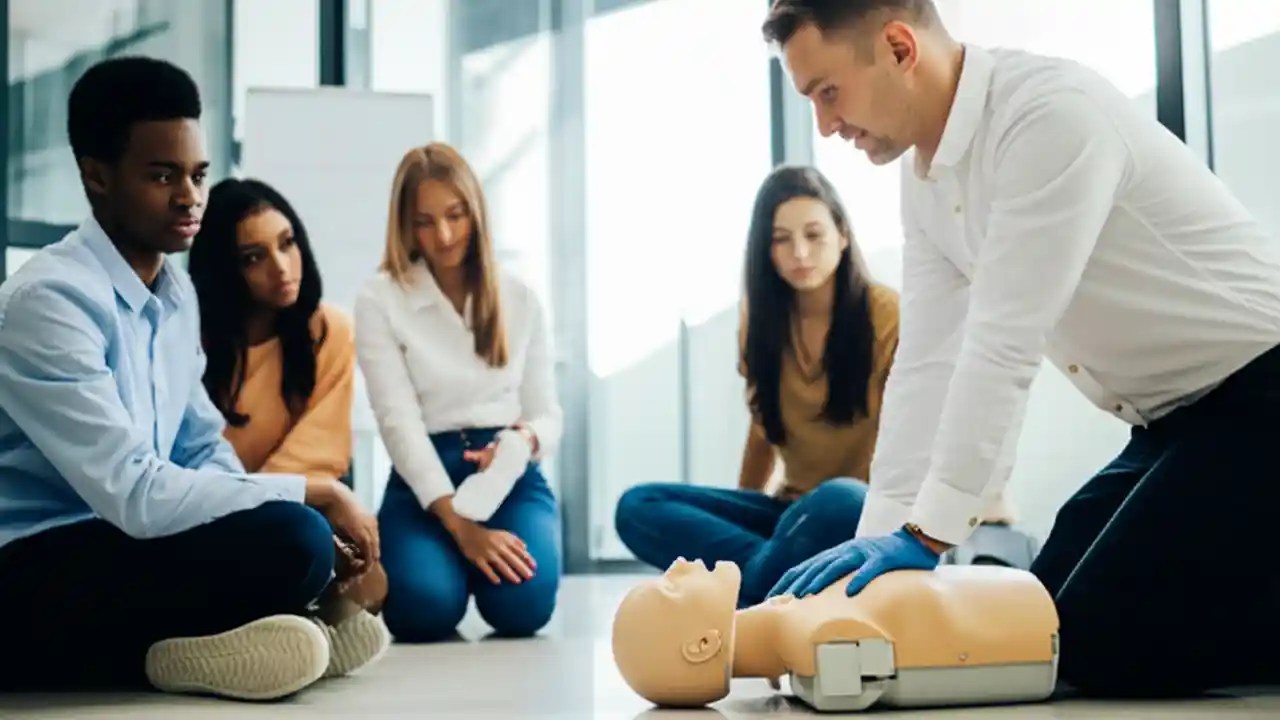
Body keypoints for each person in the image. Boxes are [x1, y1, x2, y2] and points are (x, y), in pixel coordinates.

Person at [760, 0, 1280, 699]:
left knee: (1103, 643)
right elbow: (925, 364)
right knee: (1045, 617)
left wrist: (927, 534)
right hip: (1174, 424)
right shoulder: (926, 180)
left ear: (898, 48)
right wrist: (873, 557)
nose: (824, 125)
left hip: (1263, 395)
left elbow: (1001, 346)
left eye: (828, 92)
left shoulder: (1048, 119)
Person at [0, 56, 379, 700]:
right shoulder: (48, 301)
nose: (190, 197)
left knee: (298, 541)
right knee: (294, 535)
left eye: (199, 175)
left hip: (120, 541)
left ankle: (224, 640)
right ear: (95, 177)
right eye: (162, 176)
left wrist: (281, 509)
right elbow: (136, 494)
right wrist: (311, 491)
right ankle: (167, 654)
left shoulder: (176, 292)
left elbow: (199, 448)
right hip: (31, 566)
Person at [615, 166, 1030, 609]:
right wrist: (745, 507)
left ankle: (751, 583)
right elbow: (762, 431)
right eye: (781, 239)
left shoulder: (887, 315)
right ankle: (771, 582)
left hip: (866, 513)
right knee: (639, 505)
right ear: (765, 250)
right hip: (792, 514)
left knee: (839, 497)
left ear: (843, 236)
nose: (799, 252)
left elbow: (932, 423)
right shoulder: (759, 324)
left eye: (814, 234)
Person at [355, 141, 563, 642]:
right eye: (424, 221)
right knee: (421, 611)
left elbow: (547, 414)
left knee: (523, 609)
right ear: (405, 224)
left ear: (476, 212)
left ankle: (460, 566)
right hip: (425, 474)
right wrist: (463, 530)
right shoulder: (379, 300)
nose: (443, 235)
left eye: (455, 215)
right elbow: (398, 424)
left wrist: (524, 441)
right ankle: (444, 562)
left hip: (504, 471)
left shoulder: (520, 298)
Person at [188, 177, 390, 660]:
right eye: (253, 257)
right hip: (209, 513)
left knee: (369, 576)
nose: (281, 267)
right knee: (298, 540)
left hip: (296, 502)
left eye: (287, 243)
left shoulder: (329, 331)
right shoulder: (190, 340)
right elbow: (191, 479)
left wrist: (302, 493)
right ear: (225, 269)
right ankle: (271, 633)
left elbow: (318, 458)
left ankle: (295, 632)